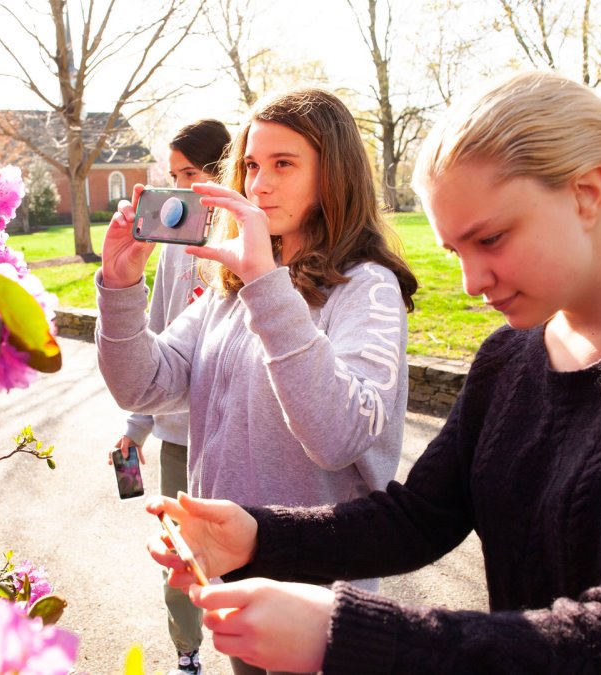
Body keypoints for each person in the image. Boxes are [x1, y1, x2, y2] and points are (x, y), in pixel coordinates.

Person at [145, 71, 601, 673]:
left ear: (586, 193)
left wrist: (342, 632)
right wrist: (257, 534)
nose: (469, 282)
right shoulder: (510, 357)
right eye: (454, 249)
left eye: (489, 240)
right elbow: (417, 518)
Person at [97, 88, 419, 675]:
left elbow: (338, 436)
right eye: (251, 164)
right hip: (232, 576)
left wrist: (266, 284)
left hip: (318, 598)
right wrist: (119, 290)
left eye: (284, 164)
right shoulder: (232, 291)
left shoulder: (368, 287)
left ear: (334, 175)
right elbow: (143, 386)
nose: (259, 184)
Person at [106, 118, 231, 675]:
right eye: (174, 174)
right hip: (179, 436)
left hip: (232, 432)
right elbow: (151, 342)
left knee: (238, 555)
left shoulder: (252, 246)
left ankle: (248, 652)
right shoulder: (173, 248)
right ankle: (187, 653)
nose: (183, 184)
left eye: (193, 172)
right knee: (180, 556)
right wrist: (135, 428)